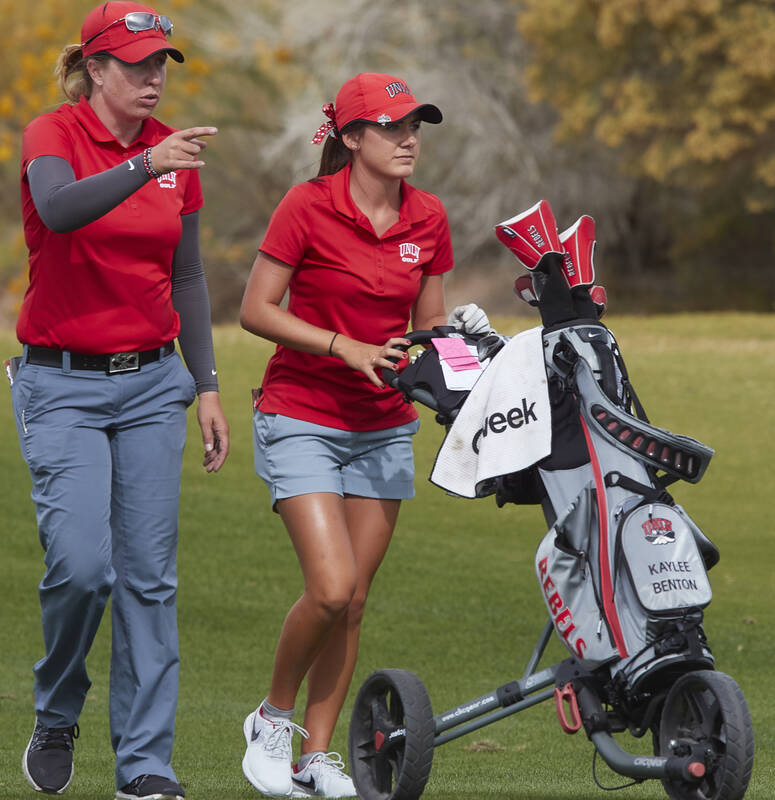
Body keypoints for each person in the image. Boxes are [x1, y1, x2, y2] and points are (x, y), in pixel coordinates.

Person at [238, 72, 490, 798]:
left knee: (353, 602)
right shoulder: (306, 207)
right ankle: (272, 720)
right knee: (330, 587)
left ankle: (317, 757)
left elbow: (430, 329)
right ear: (351, 138)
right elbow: (256, 309)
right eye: (391, 127)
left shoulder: (429, 216)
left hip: (383, 427)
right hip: (301, 412)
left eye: (416, 126)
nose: (409, 139)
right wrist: (341, 345)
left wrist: (464, 337)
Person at [8, 3, 228, 799]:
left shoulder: (177, 157)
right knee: (81, 568)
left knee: (148, 579)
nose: (152, 78)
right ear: (95, 70)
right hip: (60, 382)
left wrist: (205, 385)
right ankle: (58, 706)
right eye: (136, 64)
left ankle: (145, 767)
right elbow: (62, 210)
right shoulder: (51, 134)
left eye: (161, 64)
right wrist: (145, 164)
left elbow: (189, 277)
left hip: (150, 386)